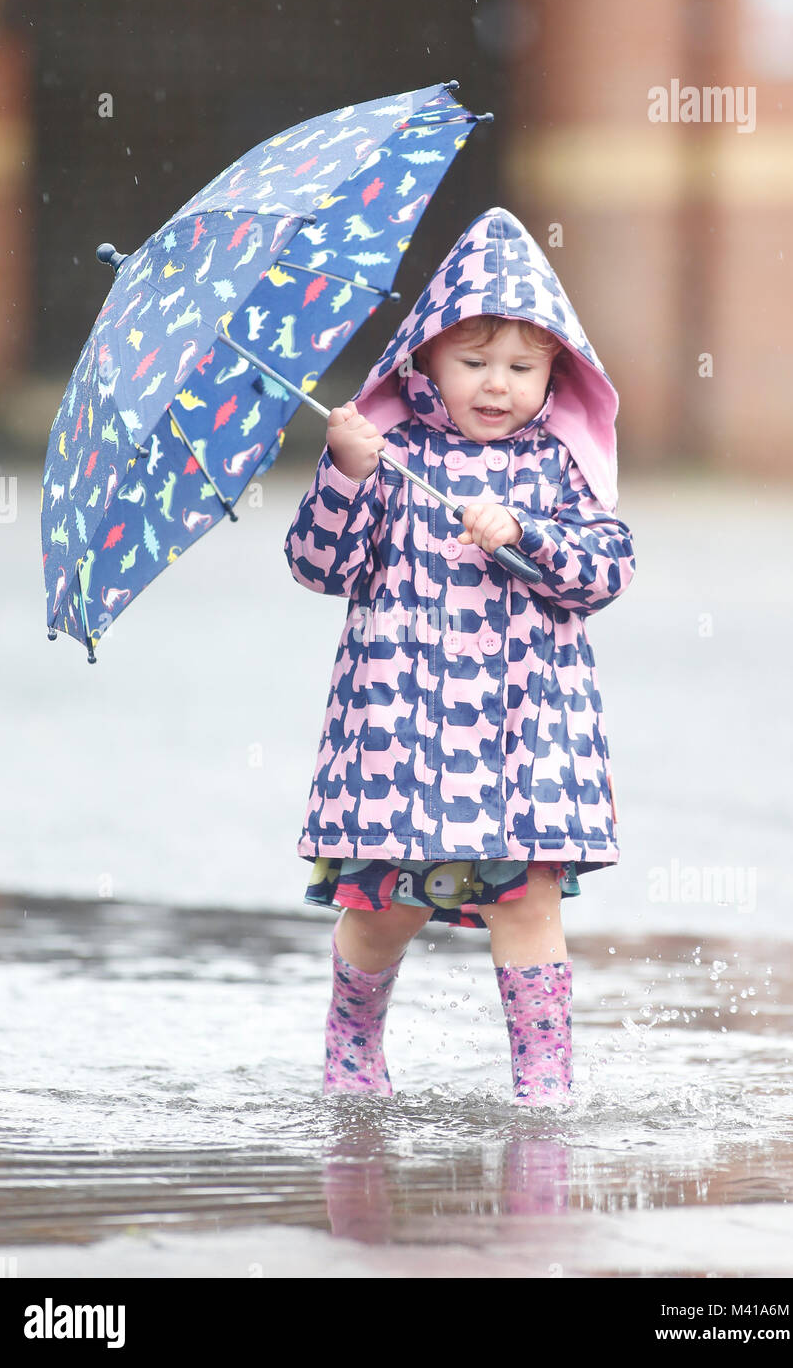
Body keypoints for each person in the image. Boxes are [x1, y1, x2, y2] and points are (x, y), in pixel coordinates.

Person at [283, 206, 636, 1106]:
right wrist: (346, 476)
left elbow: (607, 569)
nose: (496, 385)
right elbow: (320, 566)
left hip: (525, 734)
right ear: (424, 359)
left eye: (522, 366)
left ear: (556, 368)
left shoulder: (559, 466)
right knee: (387, 906)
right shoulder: (389, 451)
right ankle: (353, 1046)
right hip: (400, 730)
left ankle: (546, 1078)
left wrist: (528, 535)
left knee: (527, 900)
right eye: (473, 361)